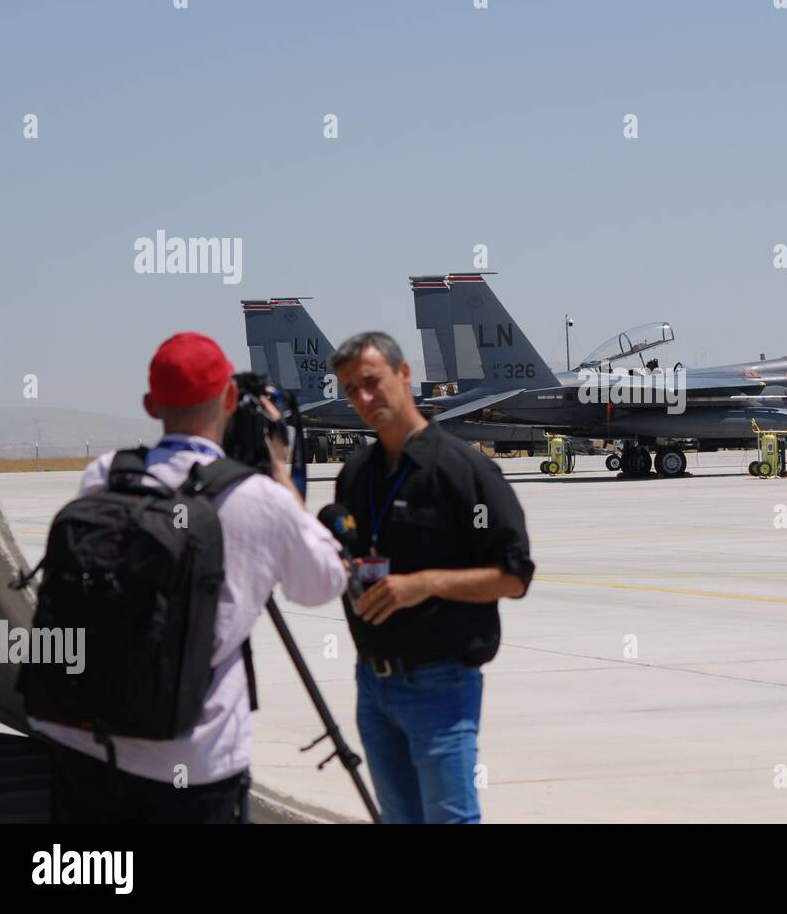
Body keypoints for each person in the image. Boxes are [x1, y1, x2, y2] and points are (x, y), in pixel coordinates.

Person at [29, 332, 348, 822]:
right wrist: (282, 475)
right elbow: (322, 582)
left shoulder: (106, 474)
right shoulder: (260, 497)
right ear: (227, 398)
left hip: (86, 742)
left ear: (151, 404)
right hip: (193, 762)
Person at [330, 331, 533, 824]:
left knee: (449, 819)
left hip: (439, 683)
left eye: (372, 382)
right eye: (352, 389)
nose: (364, 397)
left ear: (404, 375)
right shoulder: (355, 475)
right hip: (372, 684)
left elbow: (514, 576)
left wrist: (423, 585)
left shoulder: (465, 471)